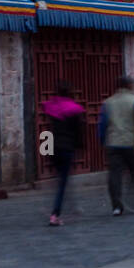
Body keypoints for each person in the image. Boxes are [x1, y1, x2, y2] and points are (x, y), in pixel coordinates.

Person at [99, 75, 134, 216]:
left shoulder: (107, 103)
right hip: (130, 143)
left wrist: (103, 141)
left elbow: (102, 125)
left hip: (113, 143)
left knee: (114, 175)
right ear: (129, 86)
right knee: (133, 173)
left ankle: (116, 206)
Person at [43, 82, 85, 226]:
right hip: (67, 148)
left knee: (62, 180)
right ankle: (55, 214)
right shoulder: (74, 110)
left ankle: (71, 206)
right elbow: (78, 132)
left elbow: (48, 130)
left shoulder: (52, 108)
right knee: (63, 182)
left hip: (53, 147)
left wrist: (46, 151)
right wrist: (80, 147)